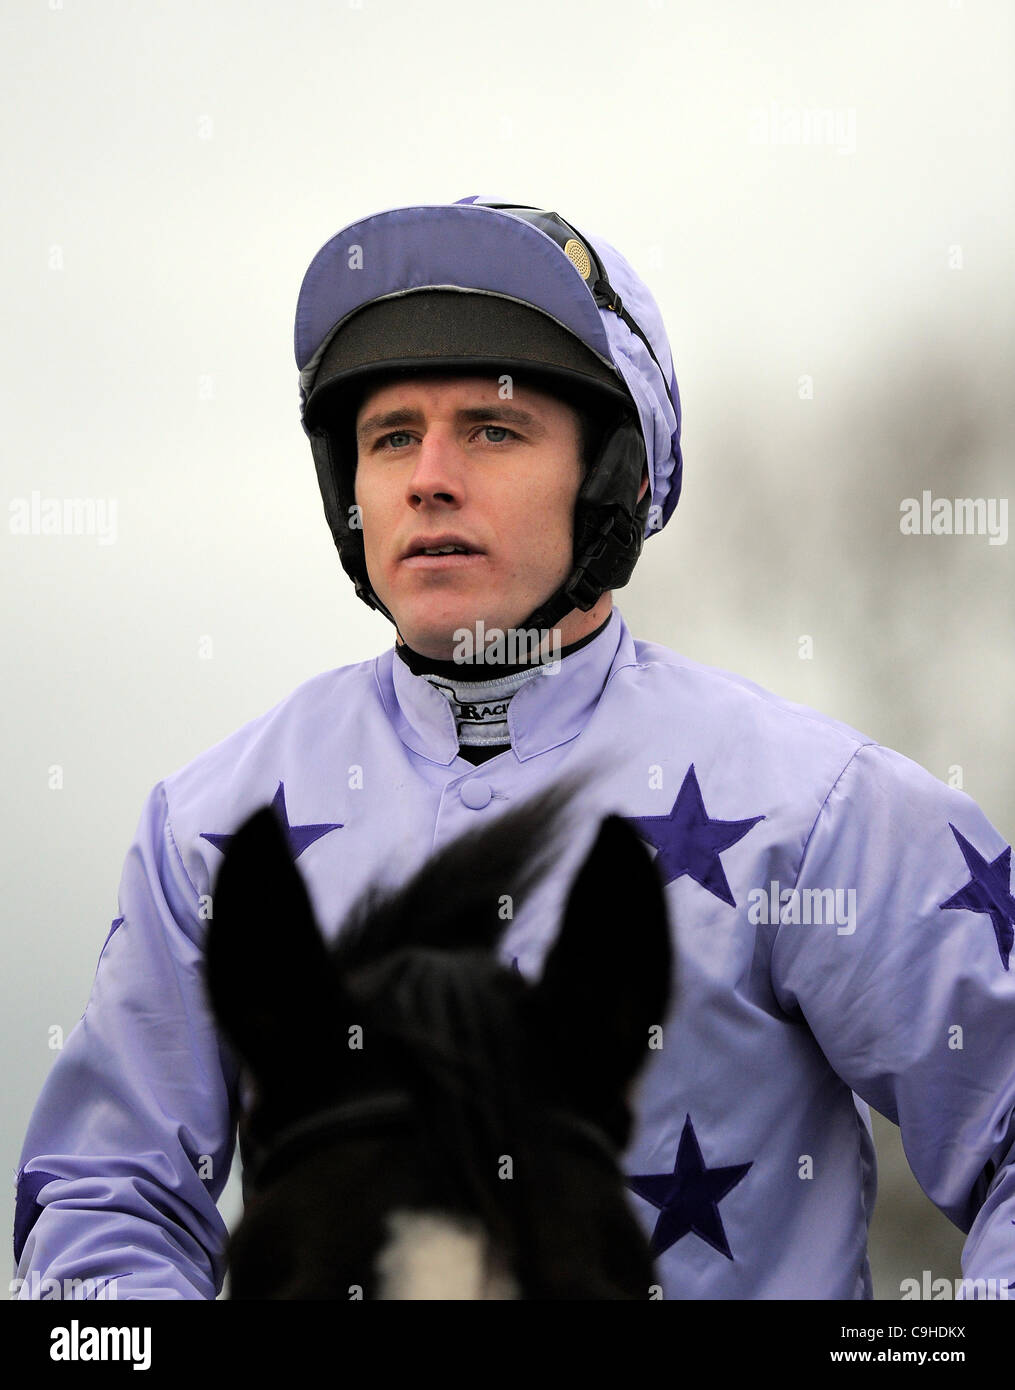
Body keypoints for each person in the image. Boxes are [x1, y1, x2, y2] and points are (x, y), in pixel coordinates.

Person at [14, 197, 1015, 1300]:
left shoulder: (824, 809)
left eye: (490, 430)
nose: (425, 475)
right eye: (390, 434)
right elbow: (108, 1203)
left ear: (614, 481)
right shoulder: (206, 827)